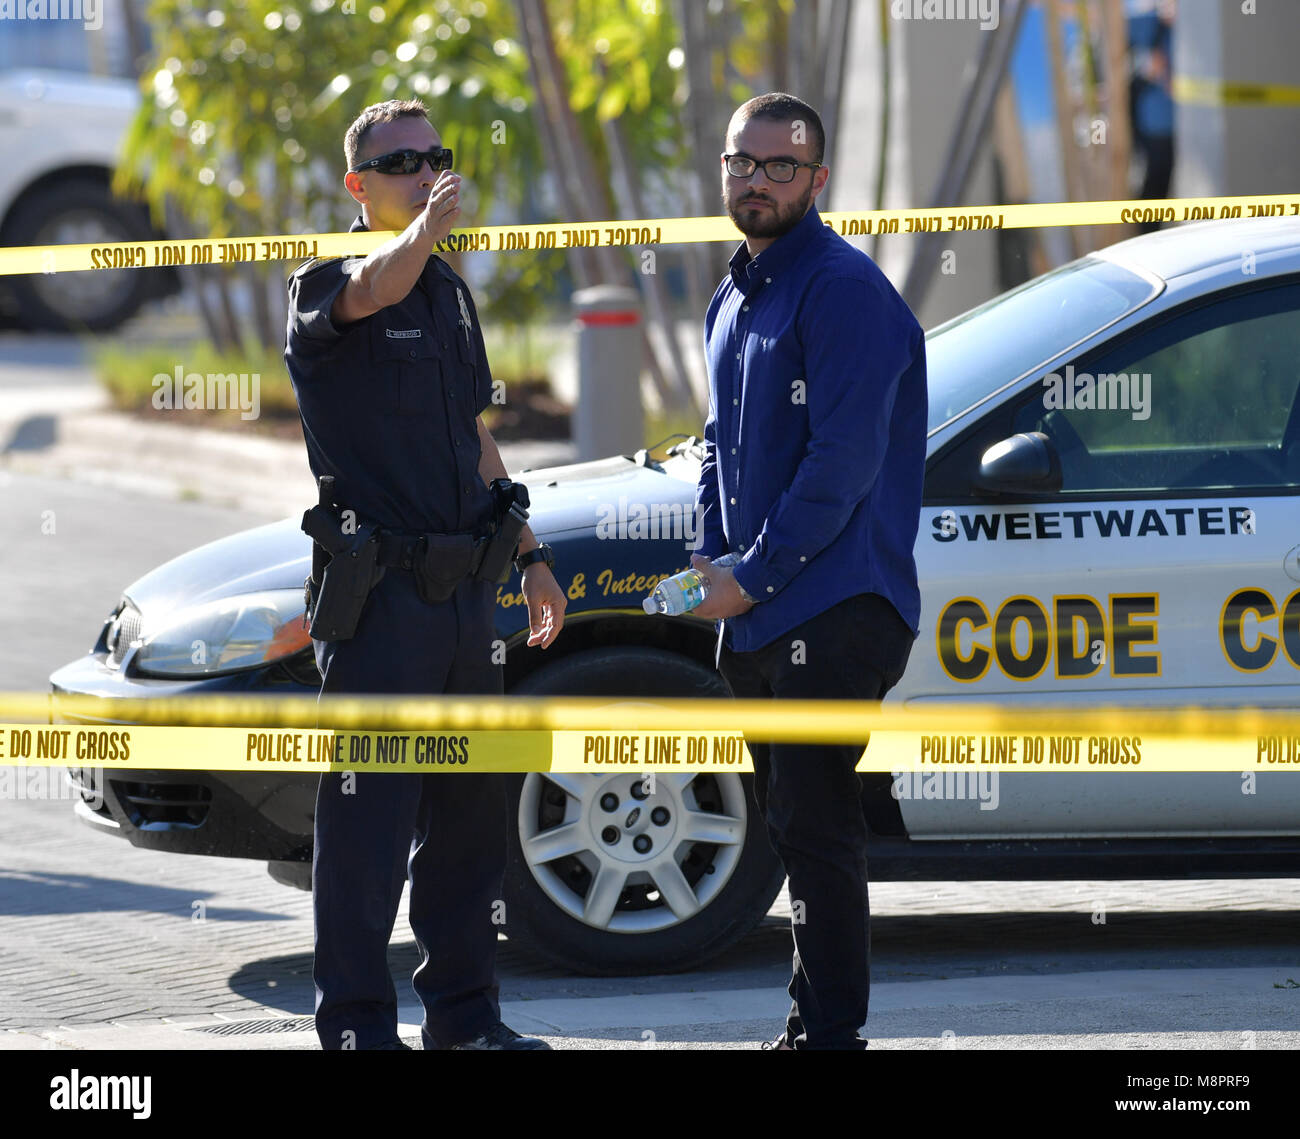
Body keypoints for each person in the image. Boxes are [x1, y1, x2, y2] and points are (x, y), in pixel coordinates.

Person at [283, 99, 567, 1051]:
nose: (423, 171)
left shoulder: (448, 290)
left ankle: (466, 1020)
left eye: (434, 156)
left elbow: (472, 435)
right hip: (382, 604)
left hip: (463, 598)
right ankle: (359, 1028)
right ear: (357, 186)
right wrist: (422, 230)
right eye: (399, 161)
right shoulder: (328, 282)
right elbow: (372, 284)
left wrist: (529, 552)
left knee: (468, 831)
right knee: (367, 834)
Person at [690, 92, 927, 1050]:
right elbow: (716, 446)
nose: (755, 179)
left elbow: (843, 463)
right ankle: (812, 1027)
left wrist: (752, 573)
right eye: (741, 162)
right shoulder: (733, 293)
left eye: (778, 166)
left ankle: (832, 1035)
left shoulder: (843, 289)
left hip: (834, 608)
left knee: (820, 833)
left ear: (817, 180)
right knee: (794, 829)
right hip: (754, 611)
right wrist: (711, 556)